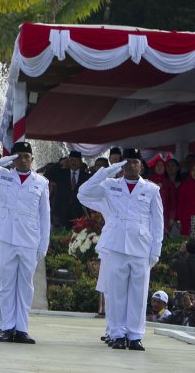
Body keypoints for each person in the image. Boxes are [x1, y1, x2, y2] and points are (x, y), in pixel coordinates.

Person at [78, 148, 163, 350]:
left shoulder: (151, 190)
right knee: (116, 293)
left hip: (141, 247)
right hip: (116, 245)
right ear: (122, 165)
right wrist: (107, 171)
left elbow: (157, 223)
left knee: (138, 294)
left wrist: (155, 250)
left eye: (135, 162)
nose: (132, 165)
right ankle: (117, 334)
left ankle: (134, 336)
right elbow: (84, 192)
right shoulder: (109, 185)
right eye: (128, 162)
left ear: (141, 165)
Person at [0, 141, 50, 345]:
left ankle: (21, 329)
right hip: (5, 238)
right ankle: (6, 327)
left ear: (32, 159)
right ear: (13, 159)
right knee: (5, 285)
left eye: (26, 156)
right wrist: (1, 162)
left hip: (29, 240)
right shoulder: (1, 175)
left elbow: (44, 216)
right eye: (18, 156)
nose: (23, 160)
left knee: (25, 286)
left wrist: (43, 245)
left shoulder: (41, 182)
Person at [47, 150, 89, 229]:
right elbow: (48, 174)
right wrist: (60, 163)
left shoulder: (86, 177)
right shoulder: (61, 173)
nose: (74, 162)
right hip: (61, 211)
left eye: (76, 160)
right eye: (72, 160)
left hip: (78, 213)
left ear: (80, 162)